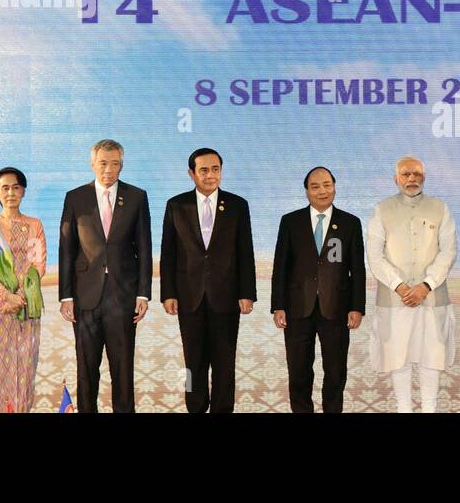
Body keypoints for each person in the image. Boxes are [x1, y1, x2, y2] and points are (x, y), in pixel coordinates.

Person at [58, 139, 152, 413]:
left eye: (114, 164)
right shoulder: (75, 197)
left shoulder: (136, 197)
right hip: (85, 296)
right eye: (103, 163)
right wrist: (66, 295)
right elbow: (67, 248)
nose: (108, 170)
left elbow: (144, 247)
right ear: (92, 164)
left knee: (122, 368)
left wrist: (143, 293)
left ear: (121, 166)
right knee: (86, 369)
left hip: (122, 296)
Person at [160, 148, 256, 413]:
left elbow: (245, 252)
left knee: (225, 363)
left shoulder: (237, 205)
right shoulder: (176, 205)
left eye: (215, 169)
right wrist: (168, 293)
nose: (210, 175)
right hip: (189, 297)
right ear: (192, 174)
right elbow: (168, 253)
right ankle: (195, 408)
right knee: (193, 364)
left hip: (226, 297)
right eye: (203, 170)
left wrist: (247, 292)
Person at [271, 166, 365, 413]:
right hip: (297, 308)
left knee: (335, 372)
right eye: (315, 186)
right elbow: (280, 266)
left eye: (327, 185)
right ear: (306, 191)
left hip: (336, 309)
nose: (322, 191)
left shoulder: (350, 223)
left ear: (334, 187)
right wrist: (278, 305)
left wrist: (357, 307)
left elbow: (357, 269)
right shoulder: (290, 222)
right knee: (299, 371)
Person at [367, 156, 457, 413]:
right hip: (395, 300)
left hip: (432, 298)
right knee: (399, 359)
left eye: (417, 174)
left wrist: (425, 286)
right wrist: (400, 287)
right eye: (406, 174)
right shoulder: (381, 209)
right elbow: (374, 255)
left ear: (424, 177)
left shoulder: (440, 208)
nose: (411, 179)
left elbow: (448, 252)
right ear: (395, 178)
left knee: (431, 359)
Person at [0, 167, 46, 413]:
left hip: (27, 308)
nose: (10, 193)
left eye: (16, 187)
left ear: (23, 191)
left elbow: (38, 265)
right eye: (5, 188)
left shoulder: (34, 225)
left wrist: (22, 297)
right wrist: (7, 297)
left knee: (25, 369)